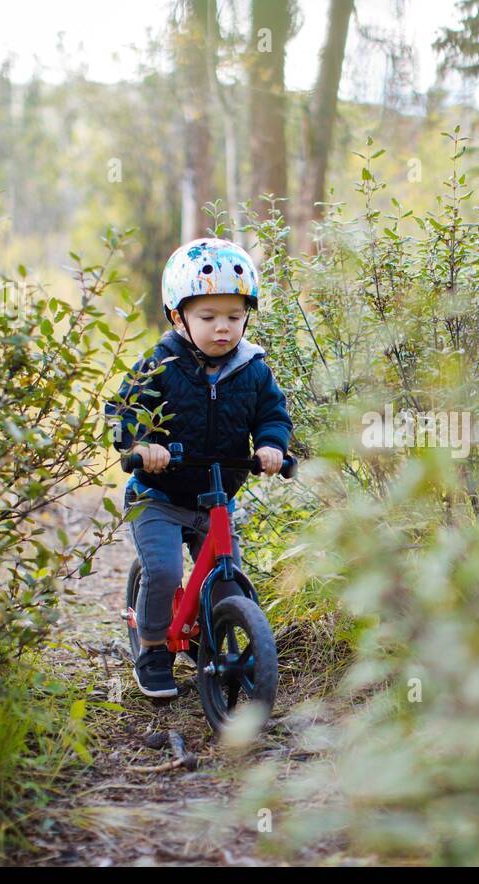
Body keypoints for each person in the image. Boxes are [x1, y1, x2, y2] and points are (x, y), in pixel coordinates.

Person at [106, 237, 292, 698]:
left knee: (227, 581)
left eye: (234, 316)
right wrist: (142, 444)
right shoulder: (161, 362)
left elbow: (272, 414)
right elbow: (125, 408)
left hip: (216, 497)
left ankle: (214, 636)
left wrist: (271, 446)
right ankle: (152, 647)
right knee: (165, 572)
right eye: (208, 318)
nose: (223, 329)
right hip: (159, 497)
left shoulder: (253, 369)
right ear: (178, 316)